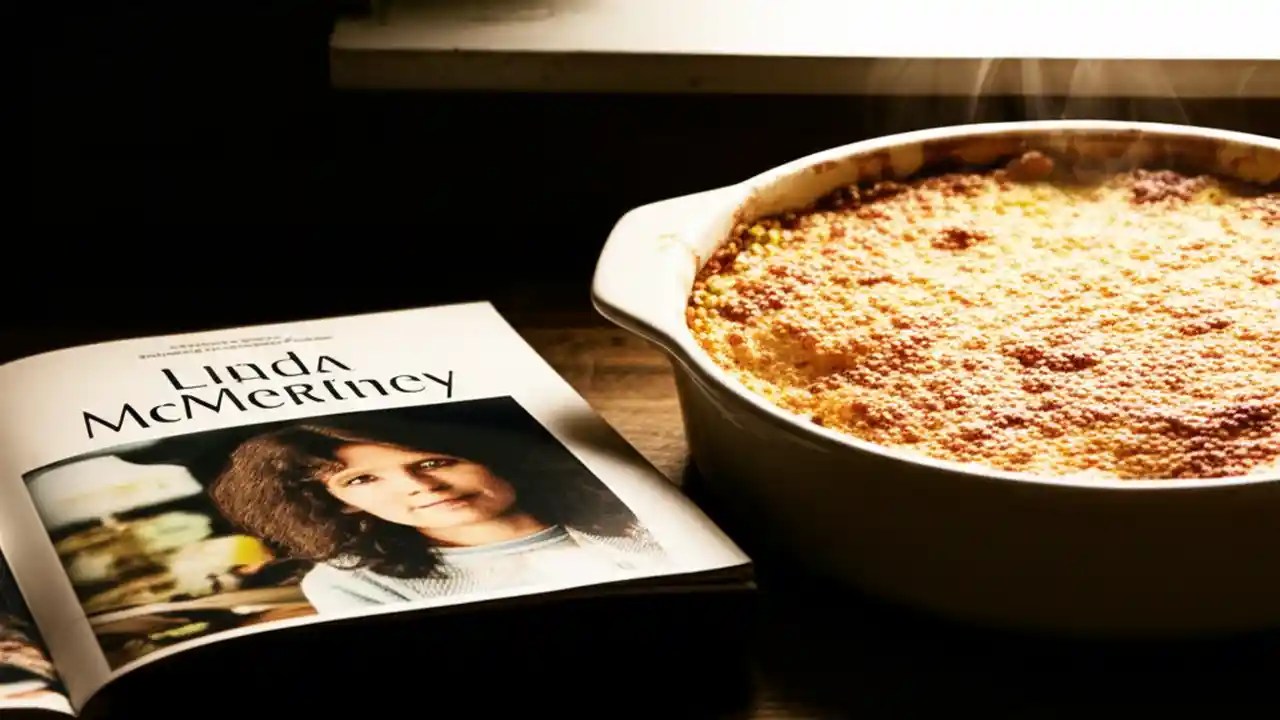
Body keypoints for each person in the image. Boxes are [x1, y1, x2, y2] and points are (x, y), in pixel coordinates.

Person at [207, 410, 668, 613]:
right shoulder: (353, 584)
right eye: (362, 480)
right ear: (340, 502)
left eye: (433, 462)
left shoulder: (631, 516)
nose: (420, 488)